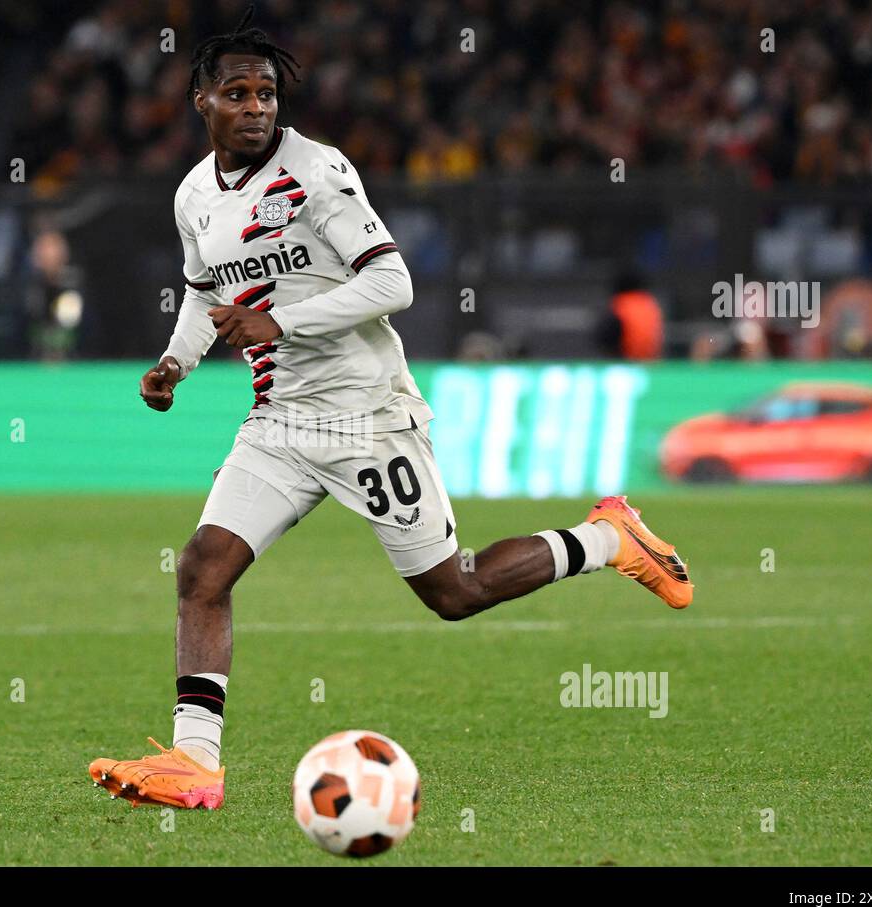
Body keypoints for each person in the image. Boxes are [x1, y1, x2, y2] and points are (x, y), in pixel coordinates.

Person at [89, 8, 693, 811]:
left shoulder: (319, 173)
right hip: (280, 421)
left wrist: (282, 320)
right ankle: (197, 761)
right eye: (237, 92)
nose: (258, 106)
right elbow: (205, 293)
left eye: (267, 91)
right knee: (203, 568)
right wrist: (177, 362)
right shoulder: (195, 195)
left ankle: (607, 537)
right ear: (202, 101)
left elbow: (393, 282)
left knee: (456, 591)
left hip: (368, 418)